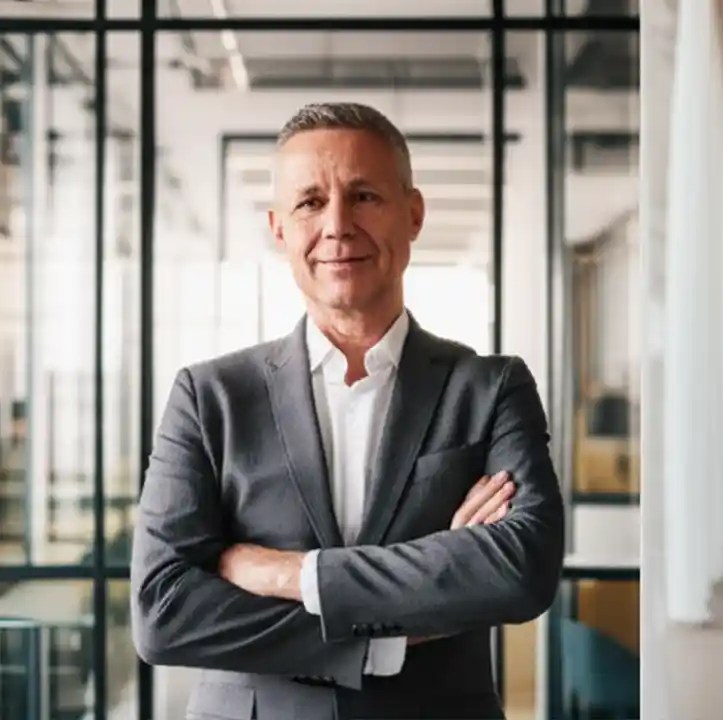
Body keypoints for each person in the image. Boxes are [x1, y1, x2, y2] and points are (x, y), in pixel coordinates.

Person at [130, 102, 564, 719]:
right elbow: (163, 611)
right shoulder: (209, 397)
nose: (337, 225)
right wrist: (386, 633)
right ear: (279, 228)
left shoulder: (491, 389)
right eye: (310, 202)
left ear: (413, 214)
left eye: (364, 196)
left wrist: (291, 574)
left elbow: (521, 569)